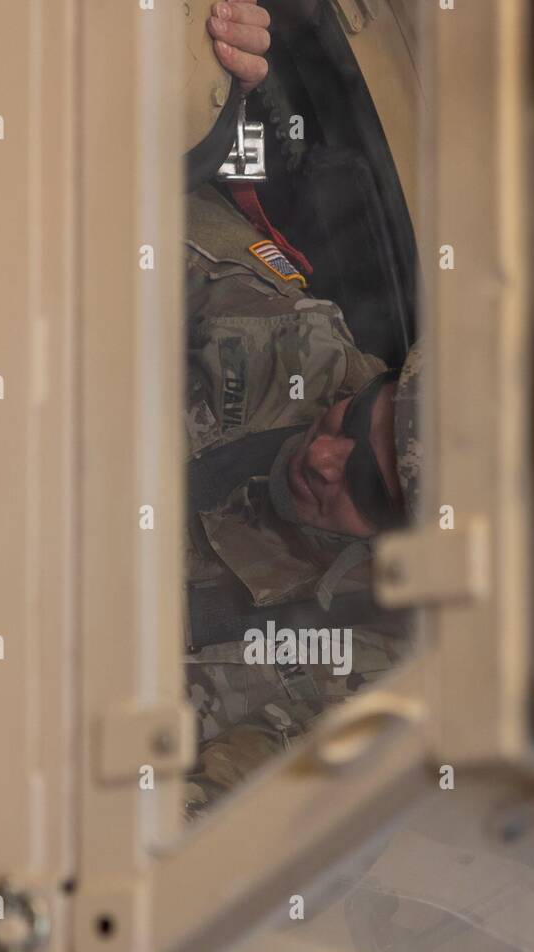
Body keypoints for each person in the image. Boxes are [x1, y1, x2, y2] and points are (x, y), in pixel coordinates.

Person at [184, 3, 421, 815]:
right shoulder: (292, 344)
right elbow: (126, 236)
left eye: (370, 489)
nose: (326, 456)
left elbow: (236, 788)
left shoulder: (366, 661)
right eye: (358, 422)